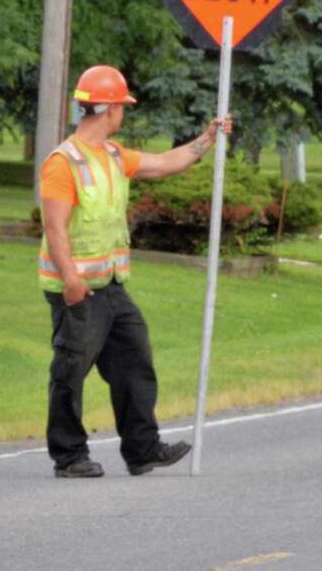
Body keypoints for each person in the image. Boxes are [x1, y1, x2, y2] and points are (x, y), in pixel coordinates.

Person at [39, 64, 233, 479]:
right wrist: (71, 278)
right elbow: (54, 228)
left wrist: (207, 139)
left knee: (134, 361)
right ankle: (69, 456)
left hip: (110, 286)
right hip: (77, 290)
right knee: (71, 372)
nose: (124, 113)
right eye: (123, 106)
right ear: (108, 110)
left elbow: (164, 163)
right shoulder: (63, 162)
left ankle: (142, 450)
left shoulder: (112, 155)